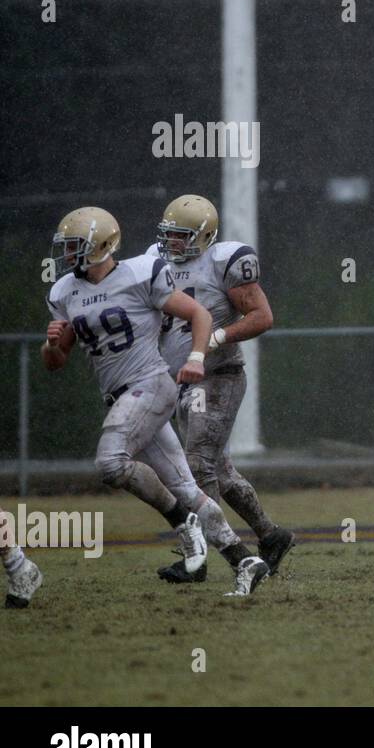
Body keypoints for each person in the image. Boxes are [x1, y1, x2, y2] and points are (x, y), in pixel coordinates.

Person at [44, 207, 269, 595]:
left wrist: (198, 356)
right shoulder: (65, 291)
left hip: (150, 385)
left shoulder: (140, 272)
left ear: (100, 246)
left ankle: (184, 526)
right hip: (121, 398)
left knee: (111, 462)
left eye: (74, 246)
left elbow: (199, 314)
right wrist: (50, 343)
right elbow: (56, 361)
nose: (66, 255)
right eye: (64, 247)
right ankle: (245, 559)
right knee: (186, 486)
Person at [149, 194, 295, 581]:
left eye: (182, 236)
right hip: (181, 380)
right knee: (220, 470)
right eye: (170, 235)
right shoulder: (154, 261)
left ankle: (208, 557)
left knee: (194, 466)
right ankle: (271, 535)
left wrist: (212, 340)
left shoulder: (223, 261)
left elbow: (262, 316)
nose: (173, 243)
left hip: (219, 375)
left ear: (204, 235)